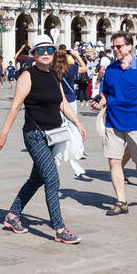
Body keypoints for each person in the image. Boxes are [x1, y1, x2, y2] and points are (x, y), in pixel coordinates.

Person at [0, 35, 85, 243]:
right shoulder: (28, 75)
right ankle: (60, 229)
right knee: (52, 179)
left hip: (53, 135)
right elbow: (16, 106)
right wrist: (4, 134)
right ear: (33, 54)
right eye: (41, 50)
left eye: (49, 50)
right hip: (35, 135)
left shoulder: (54, 74)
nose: (46, 54)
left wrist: (78, 123)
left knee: (37, 178)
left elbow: (62, 102)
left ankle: (12, 215)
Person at [92, 31, 137, 213]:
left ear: (129, 47)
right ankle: (121, 201)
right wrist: (99, 102)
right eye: (113, 46)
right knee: (114, 161)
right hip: (113, 123)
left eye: (118, 46)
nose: (115, 49)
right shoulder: (111, 70)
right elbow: (105, 94)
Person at [51, 45, 89, 181]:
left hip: (58, 99)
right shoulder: (71, 68)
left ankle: (59, 148)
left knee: (60, 124)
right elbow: (84, 68)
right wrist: (76, 55)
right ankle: (79, 149)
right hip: (71, 100)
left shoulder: (52, 69)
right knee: (73, 125)